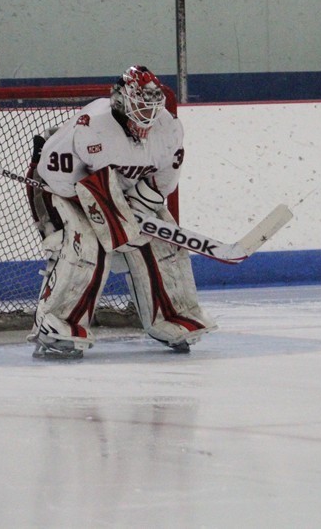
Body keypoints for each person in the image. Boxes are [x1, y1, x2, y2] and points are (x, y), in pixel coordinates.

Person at [26, 65, 217, 358]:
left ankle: (172, 315)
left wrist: (138, 208)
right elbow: (61, 180)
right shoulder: (93, 125)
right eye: (140, 108)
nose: (147, 119)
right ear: (122, 100)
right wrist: (108, 216)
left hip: (122, 191)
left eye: (152, 109)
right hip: (62, 189)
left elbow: (161, 180)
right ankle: (57, 324)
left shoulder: (169, 129)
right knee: (85, 247)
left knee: (162, 241)